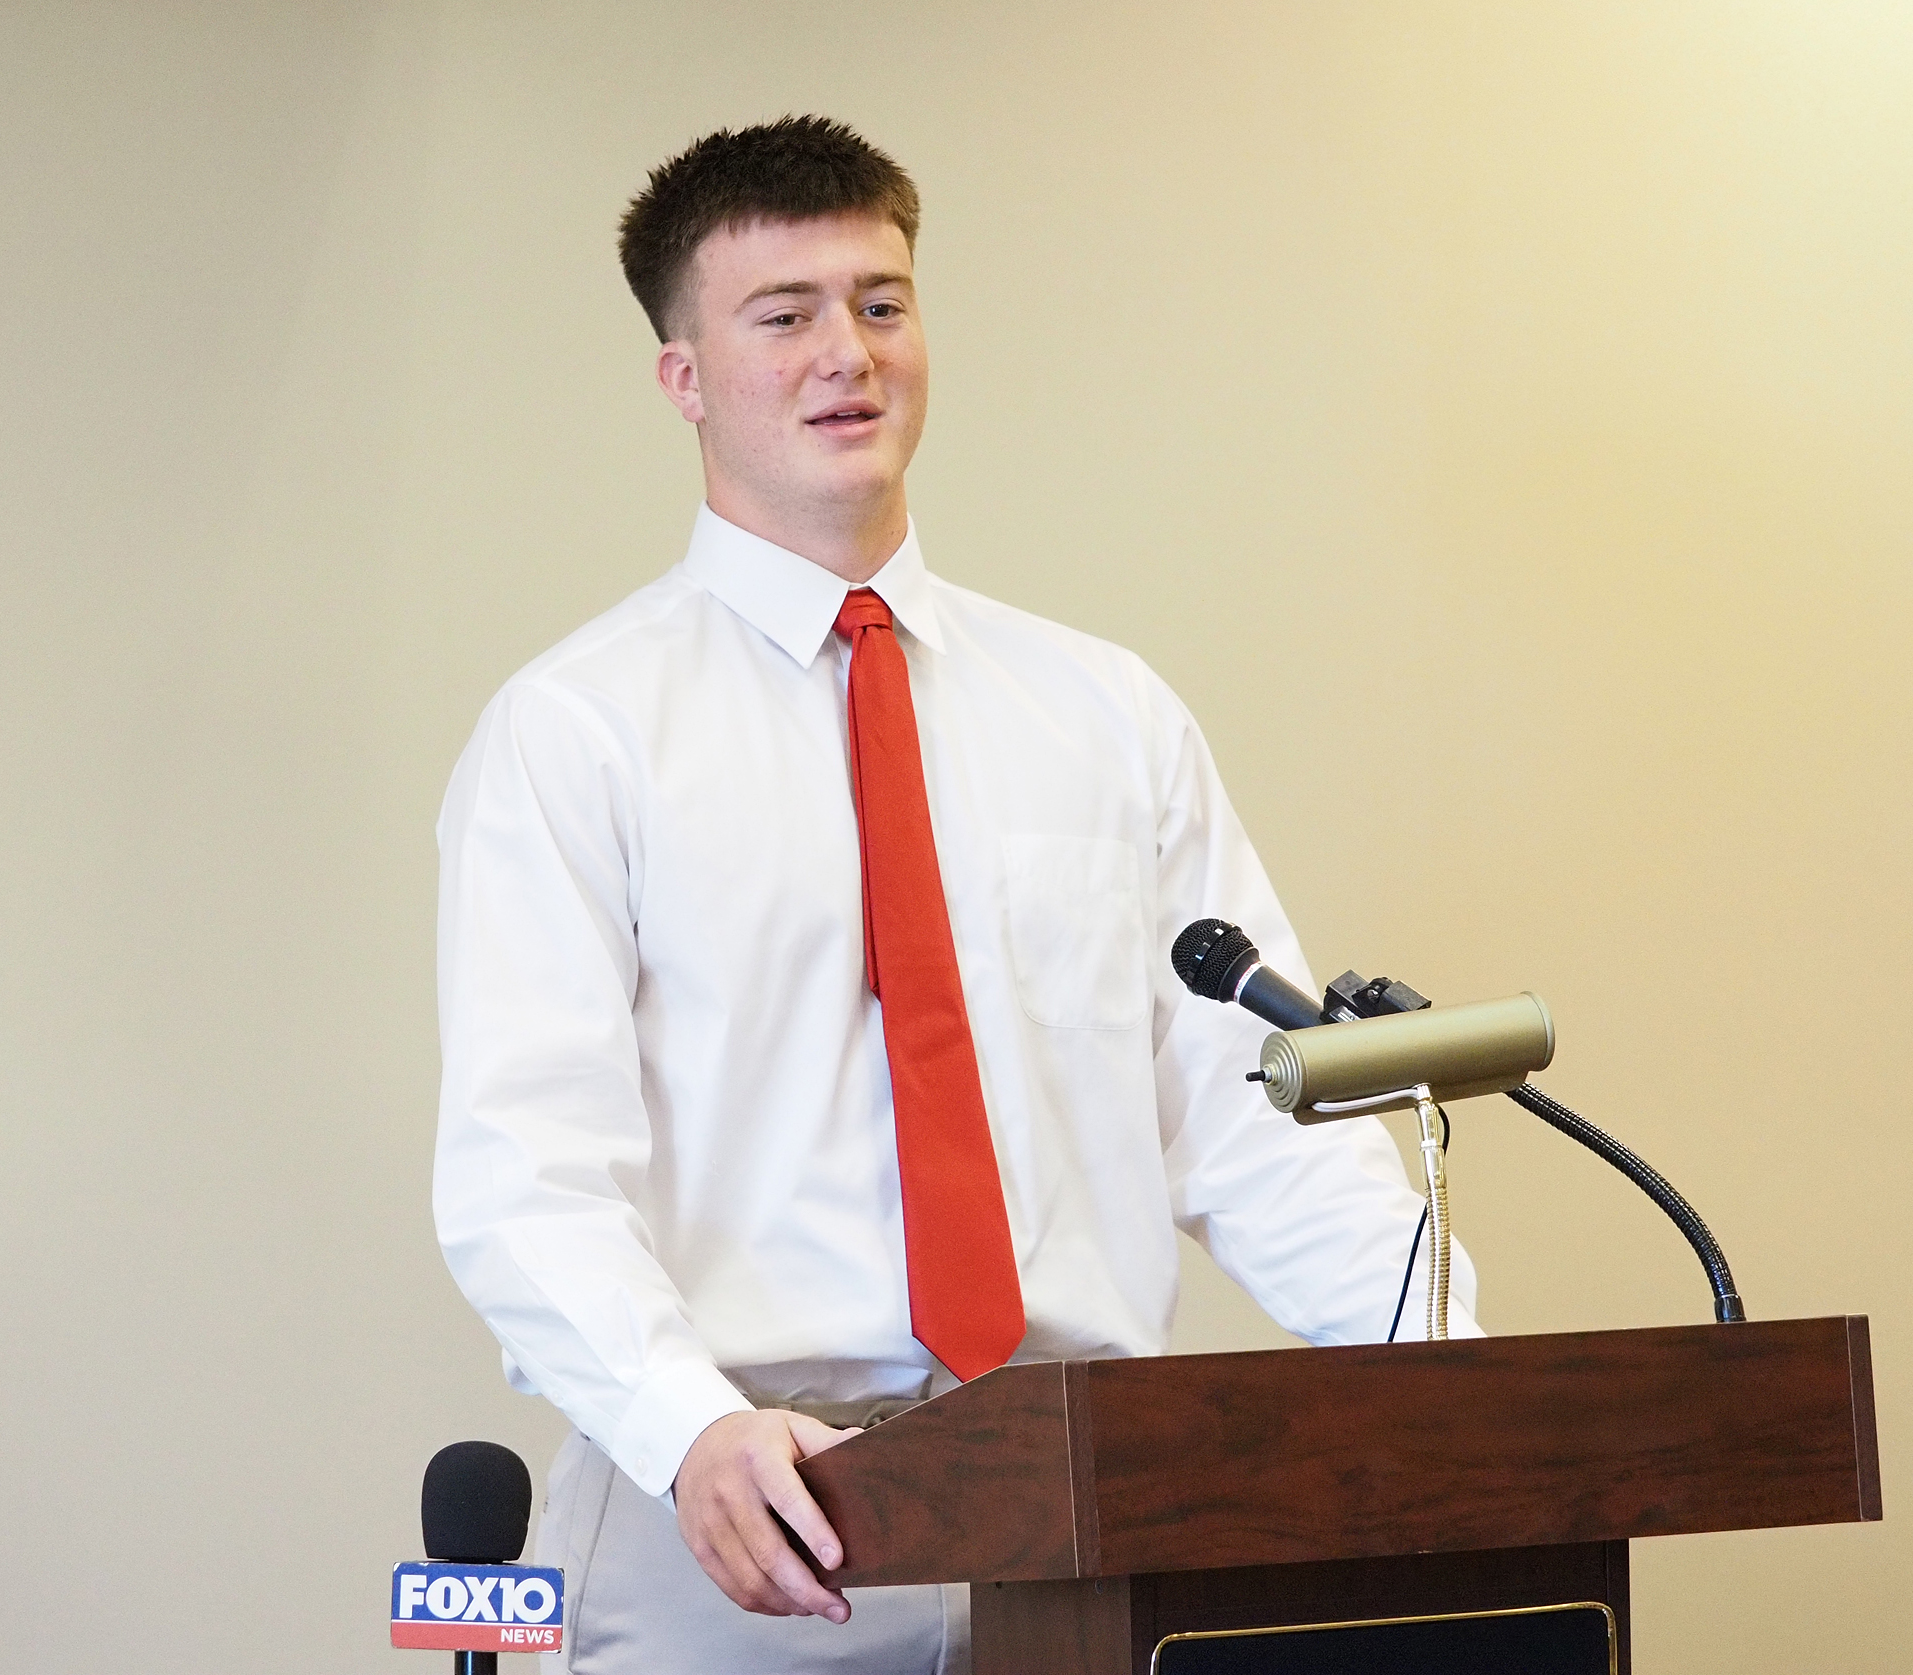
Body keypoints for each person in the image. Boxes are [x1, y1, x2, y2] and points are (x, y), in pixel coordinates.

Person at [433, 116, 1479, 1675]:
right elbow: (528, 1172)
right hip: (747, 1521)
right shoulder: (578, 732)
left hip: (1089, 1519)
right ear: (685, 377)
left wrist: (1457, 1391)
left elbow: (1255, 1118)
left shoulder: (1105, 713)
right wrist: (689, 1426)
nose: (845, 352)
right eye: (781, 315)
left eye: (881, 301)